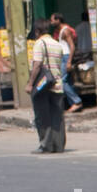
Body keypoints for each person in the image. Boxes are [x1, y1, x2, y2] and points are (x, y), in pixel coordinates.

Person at [29, 19, 67, 153]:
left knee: (43, 116)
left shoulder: (39, 43)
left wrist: (30, 84)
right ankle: (59, 145)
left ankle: (46, 145)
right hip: (57, 84)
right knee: (57, 117)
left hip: (43, 86)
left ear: (38, 31)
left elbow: (37, 65)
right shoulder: (57, 44)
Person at [51, 12, 83, 112]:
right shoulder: (59, 31)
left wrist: (69, 61)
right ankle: (73, 103)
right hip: (63, 57)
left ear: (58, 20)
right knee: (67, 81)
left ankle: (76, 101)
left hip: (65, 57)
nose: (51, 22)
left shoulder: (65, 31)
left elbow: (72, 46)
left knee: (62, 81)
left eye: (52, 20)